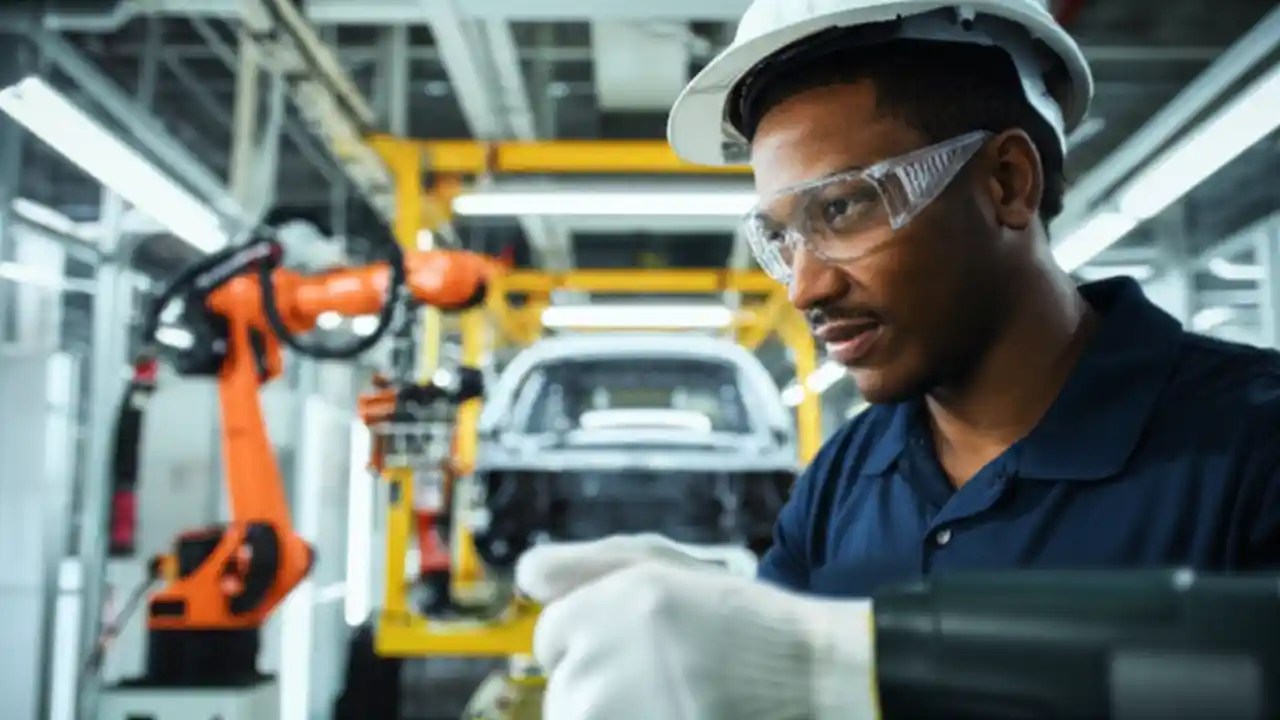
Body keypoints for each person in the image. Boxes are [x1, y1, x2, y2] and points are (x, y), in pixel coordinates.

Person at [515, 0, 1280, 717]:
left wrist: (854, 663)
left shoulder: (1254, 443)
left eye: (843, 208)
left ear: (1006, 184)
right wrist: (732, 614)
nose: (806, 285)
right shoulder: (846, 477)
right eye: (781, 238)